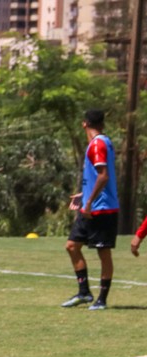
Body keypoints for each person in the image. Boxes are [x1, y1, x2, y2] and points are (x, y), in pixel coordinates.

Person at [61, 109, 119, 311]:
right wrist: (83, 195)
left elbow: (103, 176)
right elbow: (98, 176)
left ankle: (101, 299)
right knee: (71, 246)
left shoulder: (97, 144)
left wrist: (88, 202)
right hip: (92, 205)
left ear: (84, 123)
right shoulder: (103, 142)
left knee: (103, 252)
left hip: (102, 209)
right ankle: (84, 292)